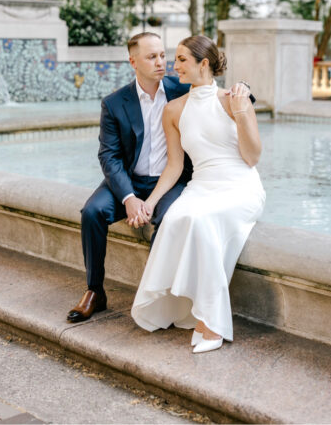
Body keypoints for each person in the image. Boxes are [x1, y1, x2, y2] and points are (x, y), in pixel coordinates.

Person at [131, 35, 265, 354]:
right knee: (178, 217)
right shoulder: (174, 110)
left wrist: (242, 111)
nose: (173, 66)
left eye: (181, 60)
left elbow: (252, 158)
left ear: (203, 64)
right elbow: (175, 166)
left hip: (239, 186)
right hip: (201, 186)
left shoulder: (233, 100)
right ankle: (183, 308)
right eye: (174, 59)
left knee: (202, 221)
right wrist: (149, 203)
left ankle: (211, 323)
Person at [67, 32, 191, 323]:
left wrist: (241, 88)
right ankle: (95, 291)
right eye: (152, 57)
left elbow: (216, 92)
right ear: (133, 61)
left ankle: (160, 298)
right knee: (93, 212)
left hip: (169, 179)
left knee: (169, 220)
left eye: (163, 55)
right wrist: (129, 197)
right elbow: (108, 156)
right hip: (129, 180)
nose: (161, 62)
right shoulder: (113, 103)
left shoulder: (181, 90)